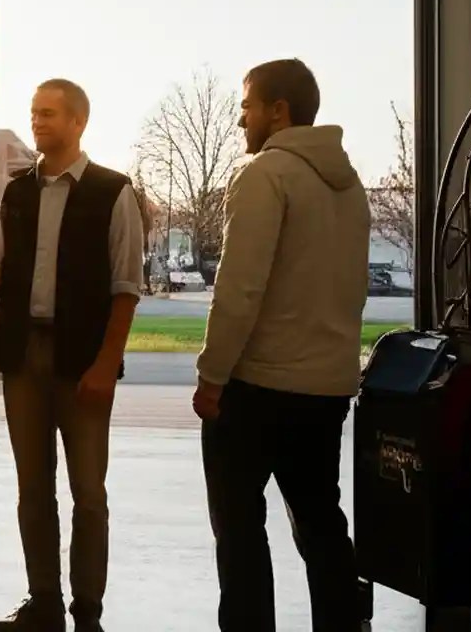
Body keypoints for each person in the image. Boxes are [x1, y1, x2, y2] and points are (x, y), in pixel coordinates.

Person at [193, 58, 369, 632]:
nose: (240, 119)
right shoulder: (350, 187)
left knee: (239, 530)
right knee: (322, 525)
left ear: (278, 111)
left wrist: (212, 377)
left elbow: (239, 289)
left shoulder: (265, 175)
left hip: (257, 388)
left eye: (246, 107)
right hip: (327, 388)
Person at [0, 78, 145, 632]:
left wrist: (106, 365)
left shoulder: (113, 192)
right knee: (32, 488)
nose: (37, 121)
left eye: (48, 113)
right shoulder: (16, 194)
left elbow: (126, 289)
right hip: (23, 356)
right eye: (34, 112)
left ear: (78, 122)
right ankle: (43, 600)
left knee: (88, 492)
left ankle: (87, 611)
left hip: (84, 362)